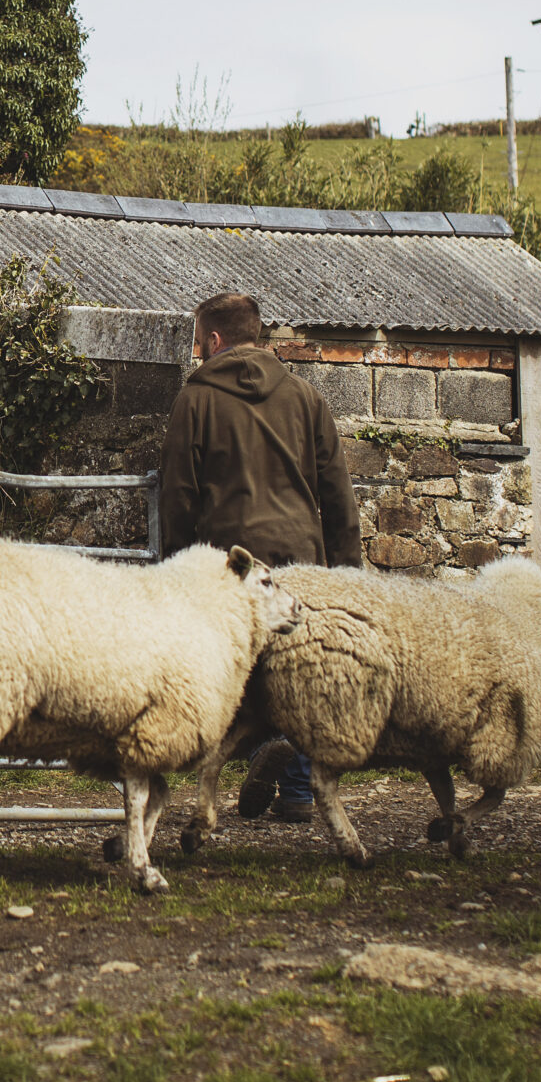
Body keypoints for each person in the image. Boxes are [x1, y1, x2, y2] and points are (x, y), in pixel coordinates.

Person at [157, 291, 361, 821]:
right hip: (302, 557)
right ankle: (295, 789)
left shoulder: (195, 401)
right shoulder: (305, 398)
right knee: (296, 671)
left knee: (238, 670)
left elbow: (178, 492)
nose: (198, 352)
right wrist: (346, 575)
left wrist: (179, 570)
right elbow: (338, 494)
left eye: (200, 342)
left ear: (216, 340)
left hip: (235, 563)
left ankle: (254, 754)